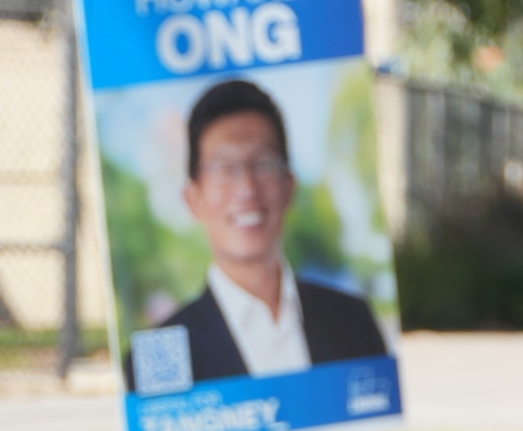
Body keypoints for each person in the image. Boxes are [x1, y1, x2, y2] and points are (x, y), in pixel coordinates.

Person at [126, 78, 387, 391]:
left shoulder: (353, 319)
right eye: (224, 168)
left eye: (263, 164)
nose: (247, 188)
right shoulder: (159, 356)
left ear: (289, 187)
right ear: (193, 199)